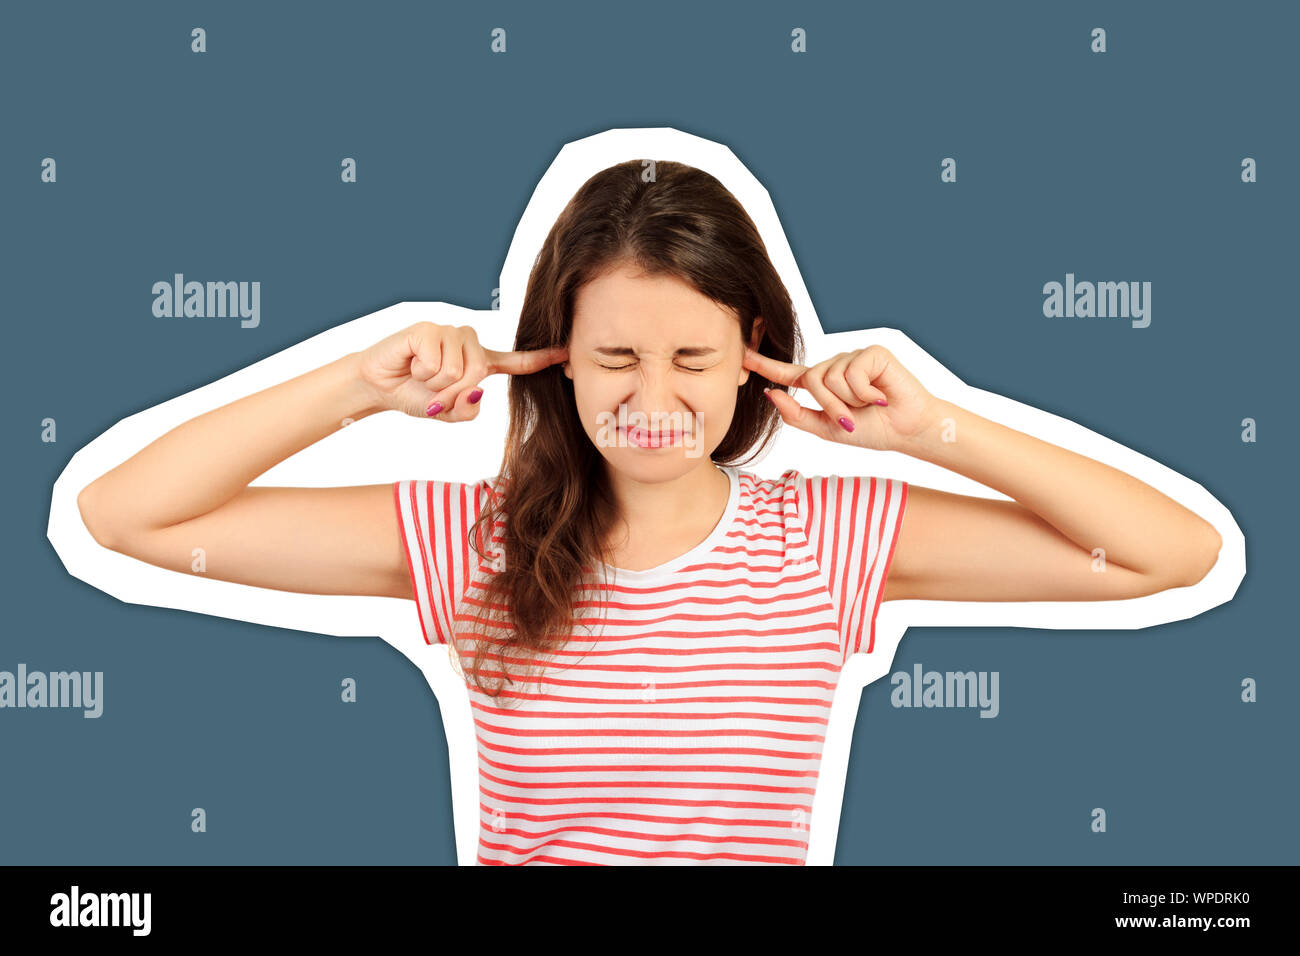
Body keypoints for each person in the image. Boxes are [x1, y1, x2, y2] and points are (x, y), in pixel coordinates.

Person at [76, 160, 1222, 865]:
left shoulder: (829, 537)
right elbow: (128, 517)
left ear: (753, 359)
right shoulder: (476, 539)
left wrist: (937, 429)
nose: (655, 398)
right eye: (616, 354)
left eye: (692, 356)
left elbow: (1172, 554)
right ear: (559, 359)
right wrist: (352, 386)